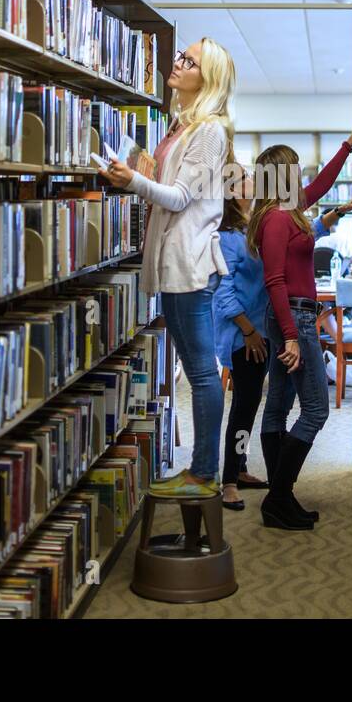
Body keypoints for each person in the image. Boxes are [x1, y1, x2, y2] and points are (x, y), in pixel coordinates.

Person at [100, 38, 236, 498]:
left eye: (188, 61)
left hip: (189, 266)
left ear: (208, 78)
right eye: (180, 57)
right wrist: (136, 169)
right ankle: (202, 469)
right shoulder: (182, 126)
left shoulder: (210, 131)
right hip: (175, 263)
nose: (177, 64)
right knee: (197, 367)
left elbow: (179, 197)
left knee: (201, 371)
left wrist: (133, 180)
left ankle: (204, 472)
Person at [247, 118, 352, 529]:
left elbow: (320, 188)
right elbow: (275, 280)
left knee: (280, 406)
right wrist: (291, 336)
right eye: (295, 167)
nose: (301, 173)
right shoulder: (278, 220)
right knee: (316, 409)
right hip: (293, 319)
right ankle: (279, 496)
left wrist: (348, 145)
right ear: (281, 175)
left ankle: (279, 499)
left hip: (293, 316)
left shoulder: (287, 211)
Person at [214, 178, 272, 511]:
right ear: (233, 195)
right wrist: (248, 331)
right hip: (243, 335)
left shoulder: (253, 229)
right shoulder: (227, 239)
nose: (252, 181)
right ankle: (230, 481)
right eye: (245, 180)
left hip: (258, 331)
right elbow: (223, 294)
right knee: (245, 406)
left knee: (249, 403)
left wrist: (332, 216)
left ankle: (242, 467)